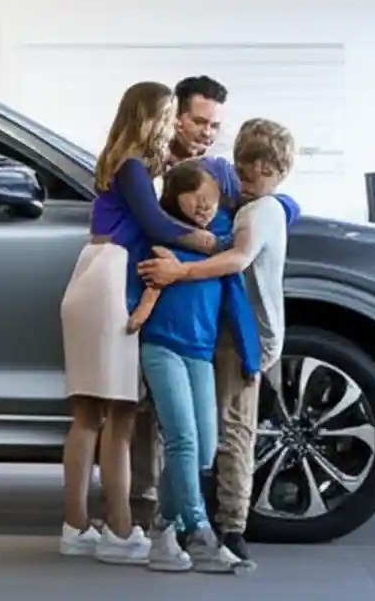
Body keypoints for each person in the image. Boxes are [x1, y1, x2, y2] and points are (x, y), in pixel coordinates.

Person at [58, 81, 217, 564]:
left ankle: (75, 526)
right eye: (169, 115)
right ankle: (120, 531)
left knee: (88, 413)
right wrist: (206, 243)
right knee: (121, 415)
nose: (173, 125)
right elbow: (155, 225)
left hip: (90, 271)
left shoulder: (118, 164)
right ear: (150, 117)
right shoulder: (131, 167)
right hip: (111, 282)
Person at [138, 118, 299, 562]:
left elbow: (238, 257)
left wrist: (180, 270)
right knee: (196, 432)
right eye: (245, 172)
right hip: (212, 329)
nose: (249, 182)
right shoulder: (232, 197)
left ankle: (228, 526)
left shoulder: (263, 210)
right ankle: (188, 522)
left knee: (227, 430)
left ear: (278, 173)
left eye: (261, 175)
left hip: (246, 335)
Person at [129, 159, 263, 573]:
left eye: (210, 199)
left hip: (201, 352)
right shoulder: (159, 235)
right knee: (182, 439)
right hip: (161, 347)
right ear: (176, 197)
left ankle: (163, 531)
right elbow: (137, 290)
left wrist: (250, 354)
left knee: (205, 448)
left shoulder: (221, 240)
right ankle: (201, 534)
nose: (203, 207)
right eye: (194, 199)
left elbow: (236, 303)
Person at [130, 74, 229, 532]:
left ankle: (168, 524)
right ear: (174, 118)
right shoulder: (145, 172)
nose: (206, 132)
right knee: (173, 433)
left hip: (199, 336)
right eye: (197, 121)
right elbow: (143, 229)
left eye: (214, 125)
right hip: (153, 326)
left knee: (196, 440)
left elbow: (268, 206)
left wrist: (202, 252)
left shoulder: (219, 175)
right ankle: (174, 520)